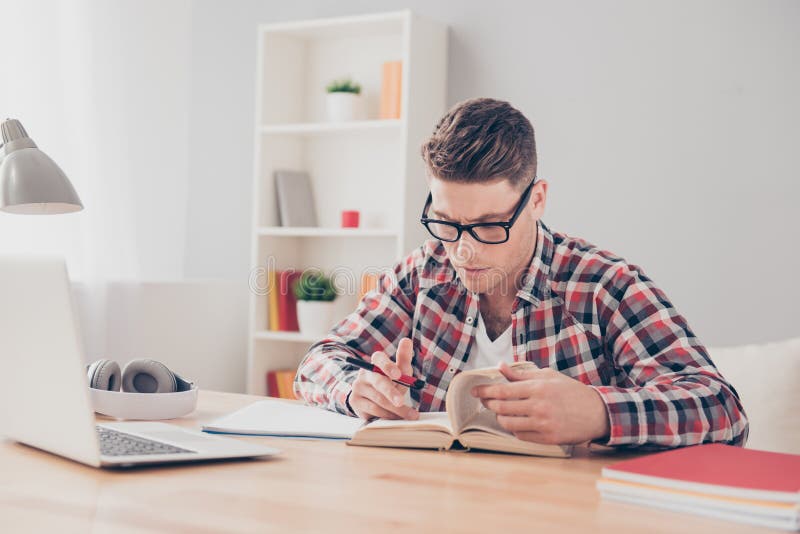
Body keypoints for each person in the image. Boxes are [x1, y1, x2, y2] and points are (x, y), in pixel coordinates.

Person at [294, 97, 748, 448]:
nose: (463, 250)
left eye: (489, 226)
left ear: (537, 200)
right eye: (446, 223)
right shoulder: (421, 274)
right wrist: (357, 390)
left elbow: (724, 410)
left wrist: (598, 412)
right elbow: (317, 363)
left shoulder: (603, 285)